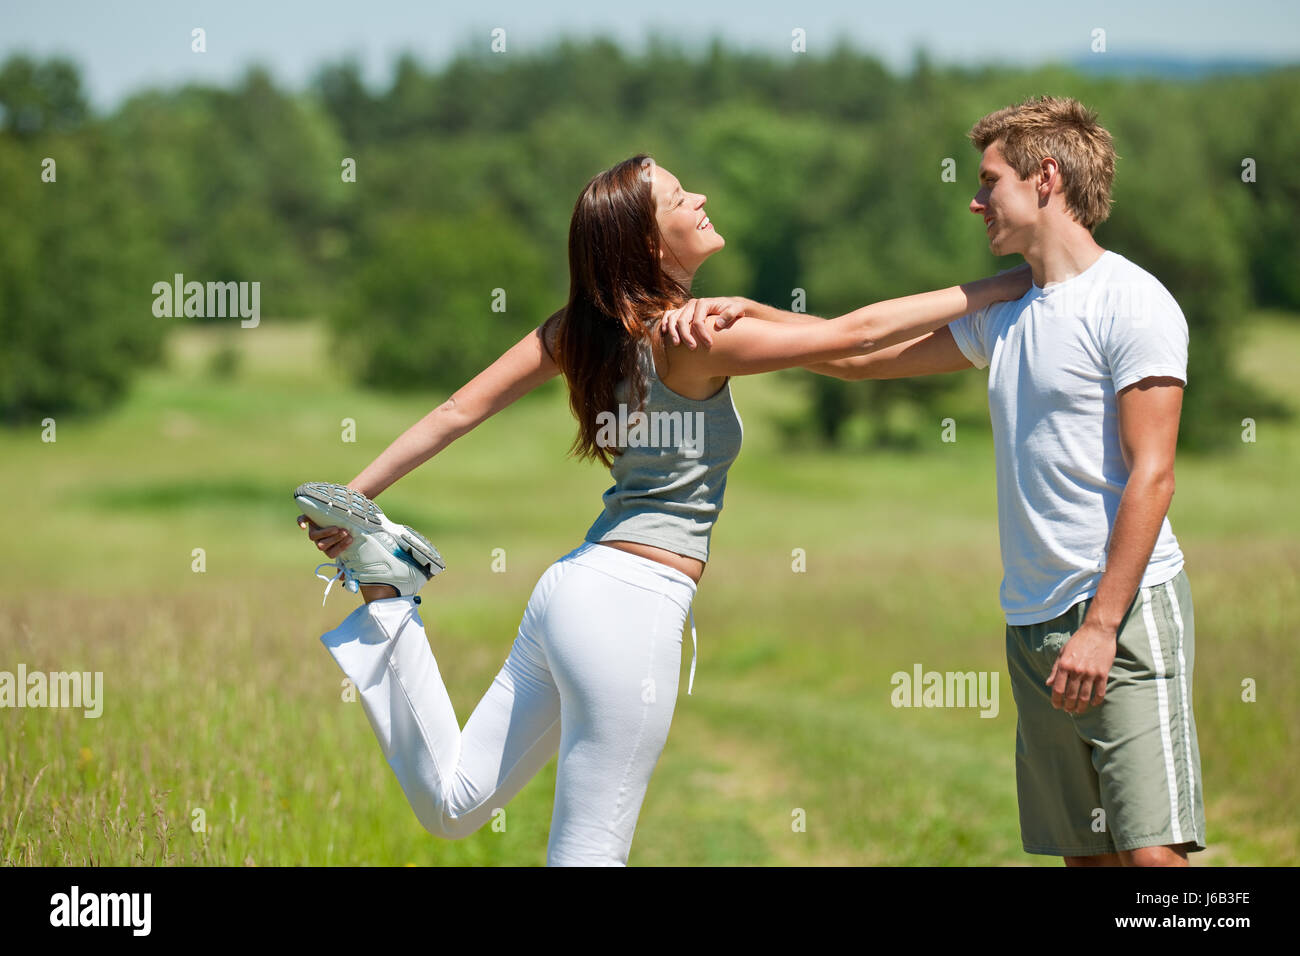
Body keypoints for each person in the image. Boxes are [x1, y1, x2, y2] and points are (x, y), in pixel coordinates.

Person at [297, 153, 1030, 866]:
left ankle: (389, 596)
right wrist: (1007, 284)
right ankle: (388, 589)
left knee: (453, 806)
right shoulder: (689, 337)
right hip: (631, 606)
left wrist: (356, 496)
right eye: (680, 199)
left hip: (570, 590)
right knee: (589, 853)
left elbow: (459, 409)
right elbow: (851, 340)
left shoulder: (582, 328)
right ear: (650, 243)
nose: (701, 199)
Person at [675, 96, 1204, 867]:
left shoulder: (1133, 302)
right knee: (1087, 858)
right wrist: (751, 314)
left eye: (991, 182)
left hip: (1120, 613)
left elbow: (1153, 476)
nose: (976, 198)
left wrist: (1101, 624)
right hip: (1033, 616)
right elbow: (855, 356)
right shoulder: (1012, 311)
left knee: (1152, 859)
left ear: (1045, 178)